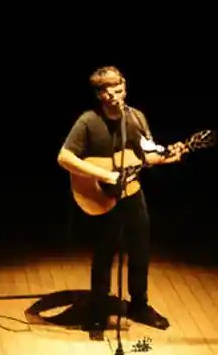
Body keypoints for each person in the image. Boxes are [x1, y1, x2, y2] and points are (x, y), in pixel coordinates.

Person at [57, 65, 181, 332]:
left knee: (140, 249)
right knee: (104, 253)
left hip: (132, 192)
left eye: (120, 89)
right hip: (102, 195)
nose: (116, 96)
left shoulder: (136, 118)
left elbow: (146, 154)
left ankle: (139, 305)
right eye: (108, 92)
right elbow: (64, 157)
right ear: (99, 95)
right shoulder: (88, 121)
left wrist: (168, 155)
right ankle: (98, 311)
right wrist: (103, 174)